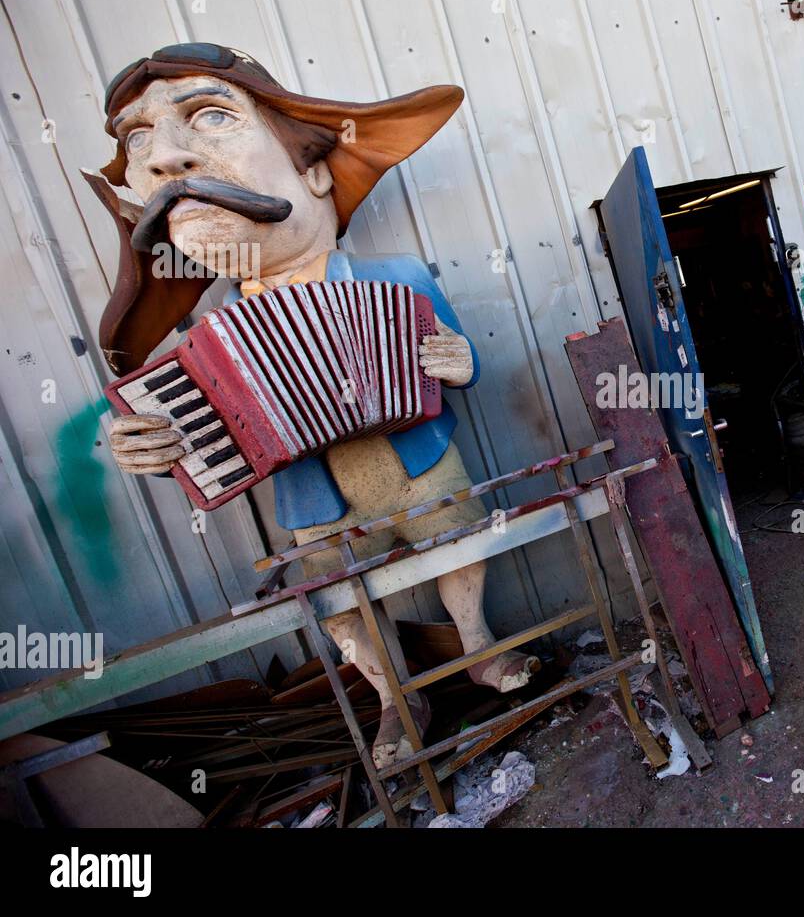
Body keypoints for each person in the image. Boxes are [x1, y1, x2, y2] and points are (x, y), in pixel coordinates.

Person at [87, 43, 539, 769]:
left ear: (318, 172)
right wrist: (158, 446)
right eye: (140, 142)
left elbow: (462, 359)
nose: (167, 160)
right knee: (342, 607)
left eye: (209, 118)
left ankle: (478, 648)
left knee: (460, 541)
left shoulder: (398, 276)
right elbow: (193, 435)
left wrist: (458, 361)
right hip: (313, 500)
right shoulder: (205, 344)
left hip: (419, 463)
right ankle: (396, 699)